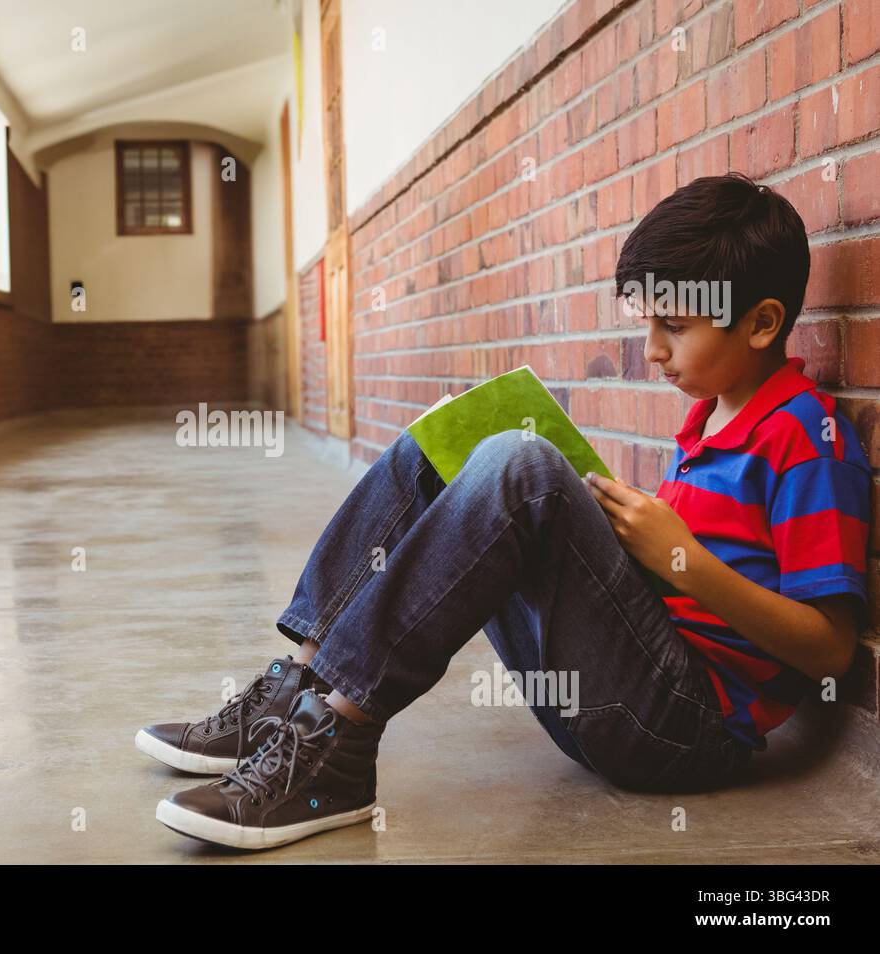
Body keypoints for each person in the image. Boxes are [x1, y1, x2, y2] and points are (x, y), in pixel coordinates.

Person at [135, 173, 872, 851]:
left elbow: (830, 650)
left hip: (682, 730)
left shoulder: (809, 436)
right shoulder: (707, 421)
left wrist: (682, 558)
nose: (651, 351)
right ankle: (294, 693)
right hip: (613, 698)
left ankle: (338, 751)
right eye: (648, 324)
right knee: (452, 439)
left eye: (674, 327)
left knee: (521, 467)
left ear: (763, 322)